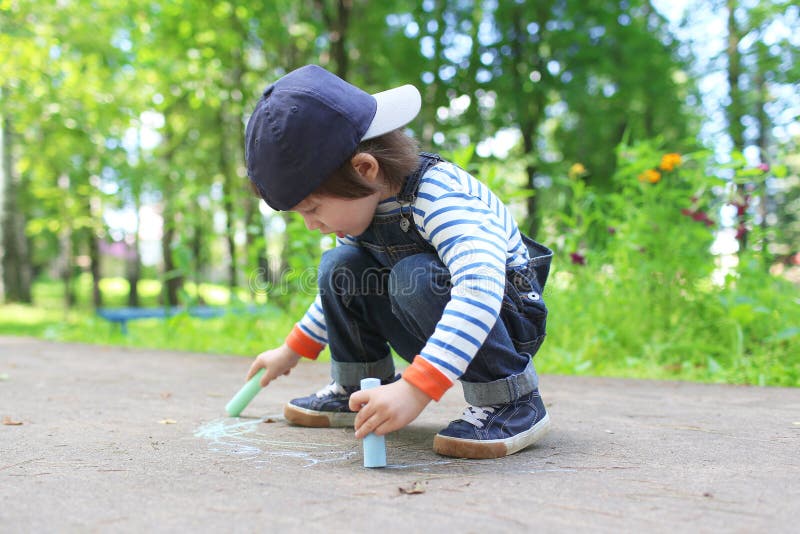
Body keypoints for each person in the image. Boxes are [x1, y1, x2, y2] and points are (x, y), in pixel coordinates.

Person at [243, 64, 553, 459]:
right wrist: (291, 350)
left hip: (505, 322)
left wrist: (416, 388)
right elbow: (338, 292)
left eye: (314, 209)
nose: (310, 225)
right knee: (340, 265)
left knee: (416, 275)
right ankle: (358, 389)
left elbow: (481, 287)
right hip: (432, 318)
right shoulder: (362, 206)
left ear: (365, 170)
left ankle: (512, 399)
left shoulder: (440, 197)